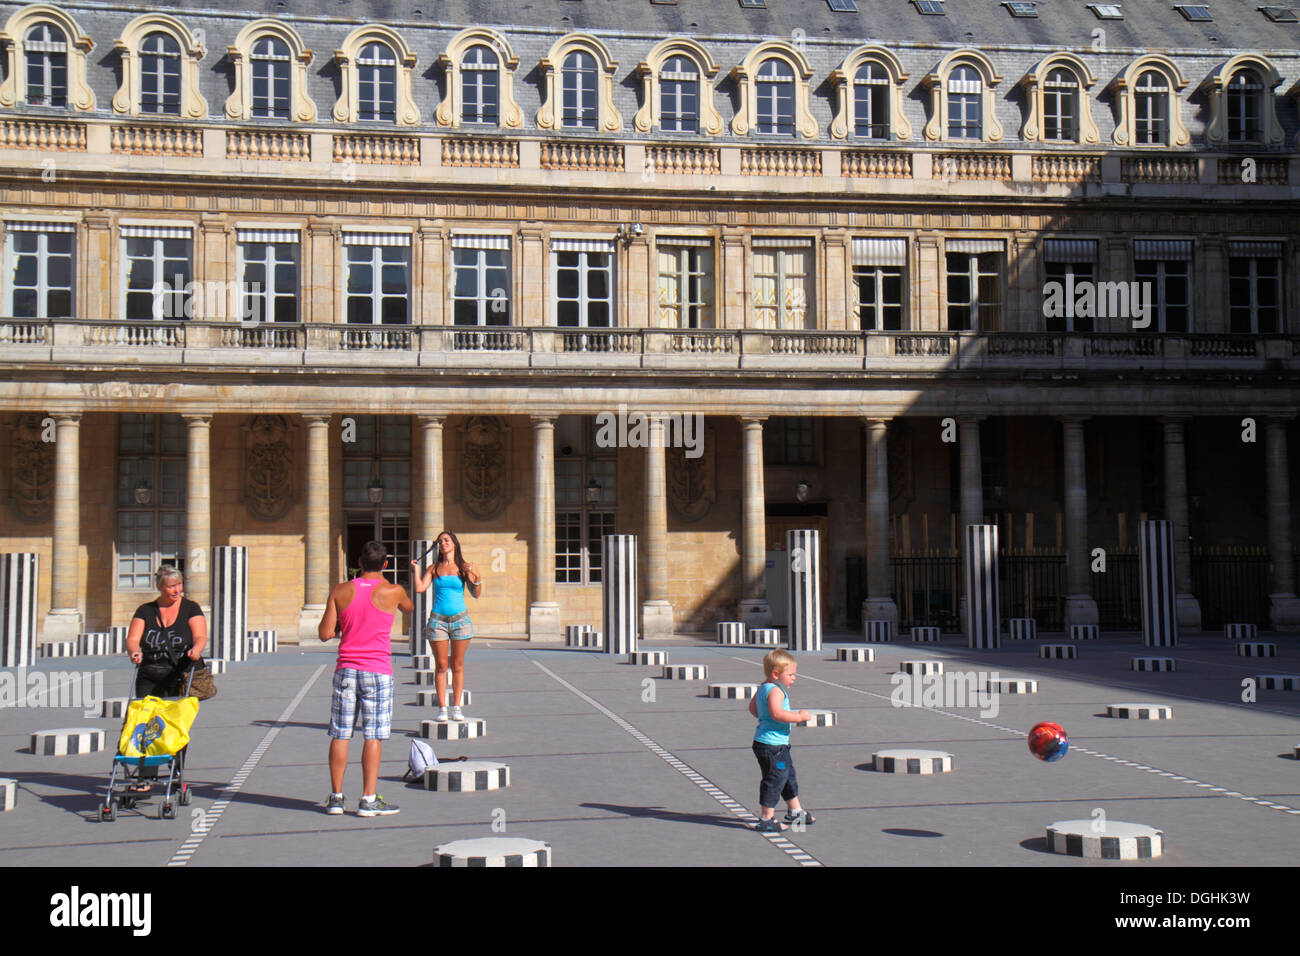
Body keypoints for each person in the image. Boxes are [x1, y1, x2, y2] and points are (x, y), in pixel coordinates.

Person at [319, 540, 413, 817]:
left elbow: (325, 633)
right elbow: (408, 608)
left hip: (347, 669)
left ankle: (336, 797)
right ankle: (368, 798)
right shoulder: (393, 591)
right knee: (373, 736)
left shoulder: (340, 590)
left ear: (359, 562)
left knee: (340, 733)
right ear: (385, 564)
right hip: (378, 670)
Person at [124, 565, 207, 792]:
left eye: (179, 585)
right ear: (160, 586)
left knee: (174, 724)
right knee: (145, 723)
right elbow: (133, 638)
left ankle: (175, 772)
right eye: (171, 586)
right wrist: (134, 651)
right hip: (149, 673)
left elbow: (200, 635)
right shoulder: (145, 611)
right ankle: (145, 776)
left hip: (178, 674)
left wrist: (197, 649)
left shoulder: (191, 608)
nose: (176, 590)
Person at [410, 530, 482, 722]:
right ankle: (442, 707)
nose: (443, 543)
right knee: (441, 665)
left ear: (454, 544)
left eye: (447, 540)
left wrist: (476, 574)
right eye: (440, 541)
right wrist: (416, 570)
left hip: (461, 621)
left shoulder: (463, 568)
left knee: (457, 665)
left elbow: (476, 593)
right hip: (438, 621)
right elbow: (419, 588)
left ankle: (456, 707)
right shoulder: (434, 568)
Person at [747, 649, 816, 832]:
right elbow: (778, 714)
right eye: (791, 674)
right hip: (772, 746)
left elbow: (753, 709)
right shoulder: (776, 691)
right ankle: (766, 818)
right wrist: (799, 716)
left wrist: (764, 718)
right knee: (775, 778)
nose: (794, 678)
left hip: (771, 744)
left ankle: (796, 811)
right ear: (776, 674)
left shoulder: (763, 687)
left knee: (787, 776)